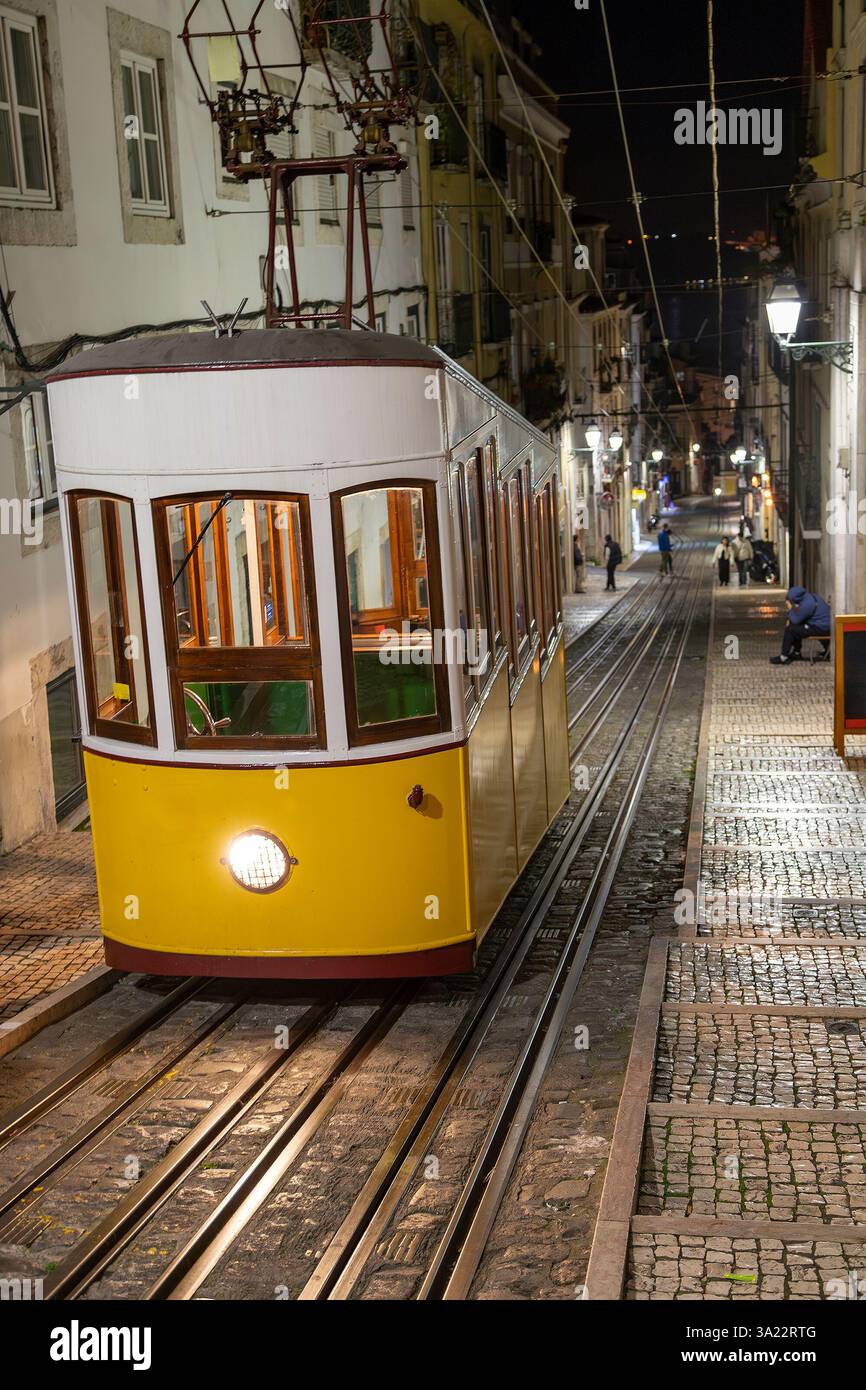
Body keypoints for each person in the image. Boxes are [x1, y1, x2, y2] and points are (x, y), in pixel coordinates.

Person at [770, 586, 831, 665]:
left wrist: (790, 609)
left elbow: (795, 620)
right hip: (824, 625)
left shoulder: (807, 605)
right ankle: (796, 653)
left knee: (791, 628)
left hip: (820, 628)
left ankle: (784, 657)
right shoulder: (811, 596)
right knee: (797, 627)